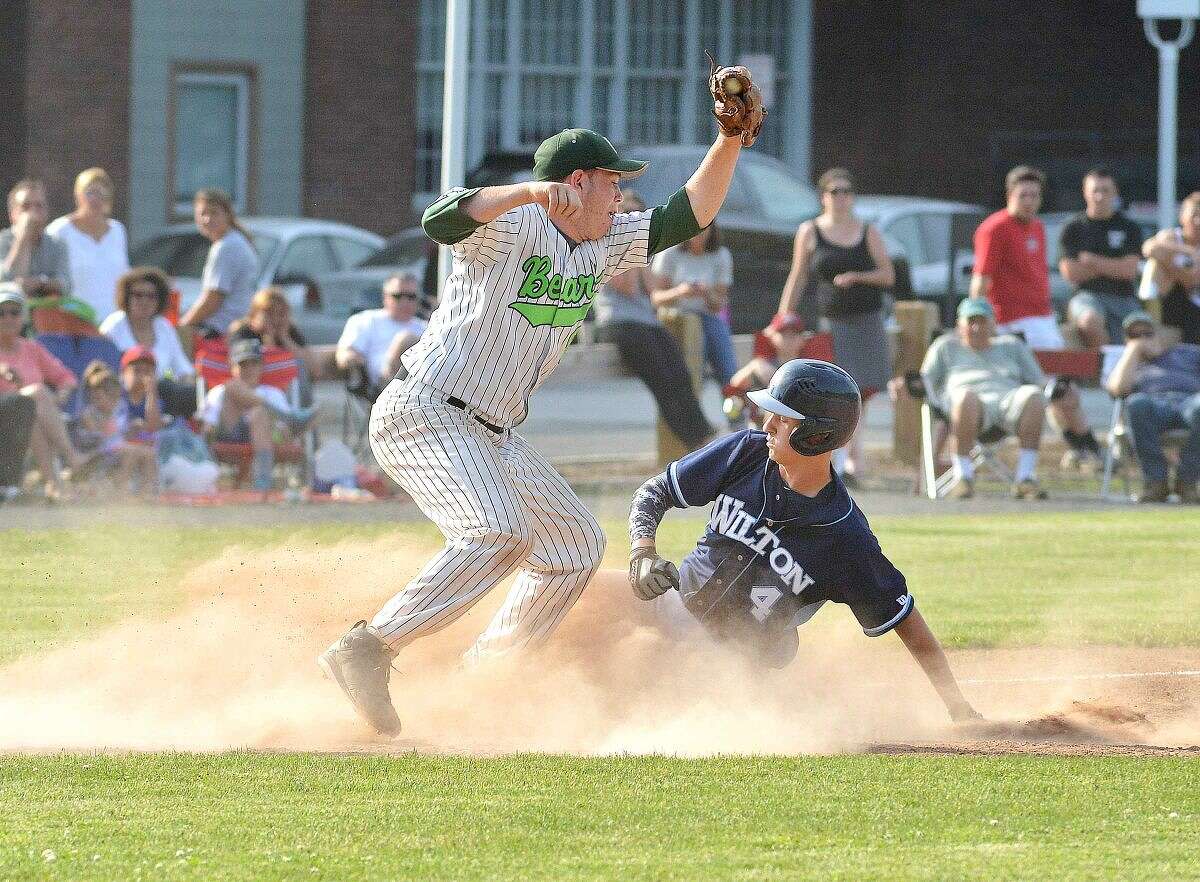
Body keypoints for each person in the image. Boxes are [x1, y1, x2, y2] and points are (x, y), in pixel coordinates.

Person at [321, 105, 758, 737]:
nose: (621, 194)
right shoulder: (515, 223)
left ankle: (483, 680)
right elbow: (438, 219)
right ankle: (369, 647)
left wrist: (729, 141)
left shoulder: (603, 241)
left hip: (492, 430)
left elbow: (686, 214)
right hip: (426, 411)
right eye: (611, 181)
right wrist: (526, 191)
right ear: (577, 182)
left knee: (575, 543)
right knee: (498, 531)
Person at [626, 358, 981, 723]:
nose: (767, 425)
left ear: (815, 435)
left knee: (648, 685)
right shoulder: (747, 452)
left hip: (731, 665)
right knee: (591, 592)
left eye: (782, 418)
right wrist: (642, 552)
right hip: (675, 606)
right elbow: (656, 491)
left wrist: (956, 704)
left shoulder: (845, 536)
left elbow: (902, 616)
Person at [776, 168, 894, 484]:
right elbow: (798, 275)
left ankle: (855, 460)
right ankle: (835, 461)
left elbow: (887, 275)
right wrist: (783, 316)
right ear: (823, 197)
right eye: (834, 192)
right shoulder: (810, 231)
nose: (840, 198)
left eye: (846, 191)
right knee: (833, 392)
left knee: (863, 391)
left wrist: (857, 277)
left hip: (866, 319)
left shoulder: (867, 231)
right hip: (830, 322)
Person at [594, 190, 714, 449]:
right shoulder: (603, 244)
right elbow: (625, 286)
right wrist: (629, 245)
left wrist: (638, 249)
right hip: (619, 324)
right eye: (626, 213)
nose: (631, 218)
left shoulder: (640, 251)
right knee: (662, 380)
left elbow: (651, 292)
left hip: (647, 324)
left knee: (680, 373)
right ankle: (694, 441)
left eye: (637, 214)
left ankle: (705, 434)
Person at [921, 298, 1056, 500]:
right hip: (965, 405)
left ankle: (1025, 478)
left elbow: (1039, 381)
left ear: (993, 324)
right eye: (971, 321)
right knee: (966, 397)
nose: (976, 327)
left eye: (982, 321)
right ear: (960, 324)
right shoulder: (945, 346)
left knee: (1034, 397)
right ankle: (963, 477)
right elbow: (924, 380)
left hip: (1008, 400)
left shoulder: (1012, 345)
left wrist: (1060, 390)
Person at [0, 285, 93, 499]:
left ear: (22, 317)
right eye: (1, 313)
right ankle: (71, 457)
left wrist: (61, 395)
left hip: (26, 421)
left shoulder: (31, 349)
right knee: (36, 394)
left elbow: (67, 378)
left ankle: (54, 483)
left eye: (14, 312)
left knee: (31, 411)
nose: (8, 318)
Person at [1105, 310, 1200, 504]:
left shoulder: (1186, 352)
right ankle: (1156, 482)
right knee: (1136, 403)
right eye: (1134, 336)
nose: (1142, 339)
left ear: (1158, 334)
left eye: (1147, 334)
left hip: (1190, 401)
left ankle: (1187, 480)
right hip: (1154, 406)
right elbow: (1118, 389)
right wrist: (1134, 351)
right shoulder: (1126, 361)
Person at [198, 338, 315, 492]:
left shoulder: (273, 393)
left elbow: (284, 433)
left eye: (254, 364)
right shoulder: (219, 391)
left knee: (259, 413)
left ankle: (262, 483)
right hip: (228, 434)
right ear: (232, 367)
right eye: (243, 365)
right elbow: (207, 428)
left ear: (261, 366)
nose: (249, 369)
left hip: (265, 436)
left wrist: (277, 427)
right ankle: (290, 417)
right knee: (232, 387)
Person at [971, 165, 1064, 349]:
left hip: (1042, 316)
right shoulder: (995, 228)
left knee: (1058, 367)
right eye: (1023, 196)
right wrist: (978, 319)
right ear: (1009, 196)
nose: (1029, 202)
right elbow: (981, 279)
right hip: (1011, 320)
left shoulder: (1038, 226)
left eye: (1034, 196)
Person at [1058, 167, 1144, 348]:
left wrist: (1091, 261)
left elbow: (1128, 271)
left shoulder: (1129, 227)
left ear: (1115, 193)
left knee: (1142, 329)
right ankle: (1105, 371)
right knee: (1090, 321)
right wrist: (1113, 266)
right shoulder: (1073, 228)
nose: (1099, 196)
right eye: (1095, 190)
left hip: (1124, 297)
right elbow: (1071, 273)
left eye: (1105, 190)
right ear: (1085, 193)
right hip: (1086, 295)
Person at [649, 221, 737, 388]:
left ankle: (735, 405)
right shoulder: (669, 253)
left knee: (727, 365)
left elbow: (719, 304)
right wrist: (681, 292)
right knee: (694, 362)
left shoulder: (721, 255)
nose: (699, 235)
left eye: (704, 230)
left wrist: (706, 293)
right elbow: (655, 298)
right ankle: (693, 407)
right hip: (676, 319)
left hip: (708, 317)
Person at [45, 168, 130, 322]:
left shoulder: (118, 230)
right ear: (78, 195)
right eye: (90, 193)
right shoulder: (60, 230)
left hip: (113, 321)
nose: (96, 199)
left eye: (102, 194)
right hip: (74, 319)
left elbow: (123, 273)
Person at [72, 358, 160, 499]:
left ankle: (148, 491)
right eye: (97, 398)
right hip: (96, 452)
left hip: (115, 448)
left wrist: (132, 428)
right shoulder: (89, 414)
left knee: (148, 453)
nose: (104, 402)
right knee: (131, 451)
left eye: (111, 398)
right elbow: (101, 436)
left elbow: (121, 434)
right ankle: (121, 489)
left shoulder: (119, 409)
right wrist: (120, 430)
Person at [179, 189, 258, 341]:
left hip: (222, 331)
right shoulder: (236, 241)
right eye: (203, 213)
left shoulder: (226, 247)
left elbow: (212, 300)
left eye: (214, 213)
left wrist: (183, 325)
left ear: (227, 214)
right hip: (237, 328)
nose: (208, 219)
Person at [334, 272, 428, 393]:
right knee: (406, 340)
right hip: (383, 384)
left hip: (422, 384)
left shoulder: (426, 326)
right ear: (385, 297)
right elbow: (345, 353)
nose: (405, 302)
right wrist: (353, 362)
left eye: (411, 297)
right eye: (398, 296)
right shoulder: (367, 320)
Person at [724, 312, 811, 429]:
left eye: (794, 334)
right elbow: (734, 385)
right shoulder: (760, 365)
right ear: (772, 336)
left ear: (802, 339)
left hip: (795, 428)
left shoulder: (809, 368)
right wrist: (754, 366)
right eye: (784, 334)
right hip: (760, 428)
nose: (789, 340)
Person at [1141, 191, 1200, 345]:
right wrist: (1187, 251)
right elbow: (1149, 248)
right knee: (1154, 265)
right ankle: (1151, 319)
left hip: (1193, 305)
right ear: (1182, 217)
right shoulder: (1172, 237)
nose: (1198, 221)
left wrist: (1172, 267)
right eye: (1194, 215)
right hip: (1167, 299)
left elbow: (1192, 281)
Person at [0, 179, 72, 299]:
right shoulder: (3, 241)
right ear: (12, 214)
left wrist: (40, 283)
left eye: (39, 206)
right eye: (26, 207)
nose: (33, 212)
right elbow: (6, 281)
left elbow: (65, 285)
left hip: (46, 313)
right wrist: (23, 238)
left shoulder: (57, 244)